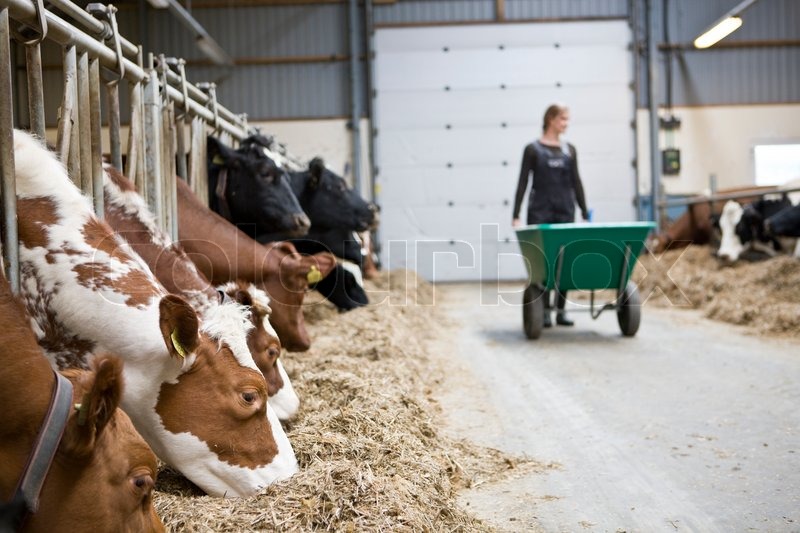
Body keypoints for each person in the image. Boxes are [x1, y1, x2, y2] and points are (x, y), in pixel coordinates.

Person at [512, 103, 589, 328]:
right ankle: (543, 310)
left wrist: (584, 211)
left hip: (565, 210)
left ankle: (561, 311)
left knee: (565, 261)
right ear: (551, 120)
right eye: (563, 119)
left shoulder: (570, 150)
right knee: (544, 262)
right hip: (540, 212)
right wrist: (516, 214)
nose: (566, 124)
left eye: (567, 120)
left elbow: (577, 182)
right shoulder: (533, 149)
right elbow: (523, 182)